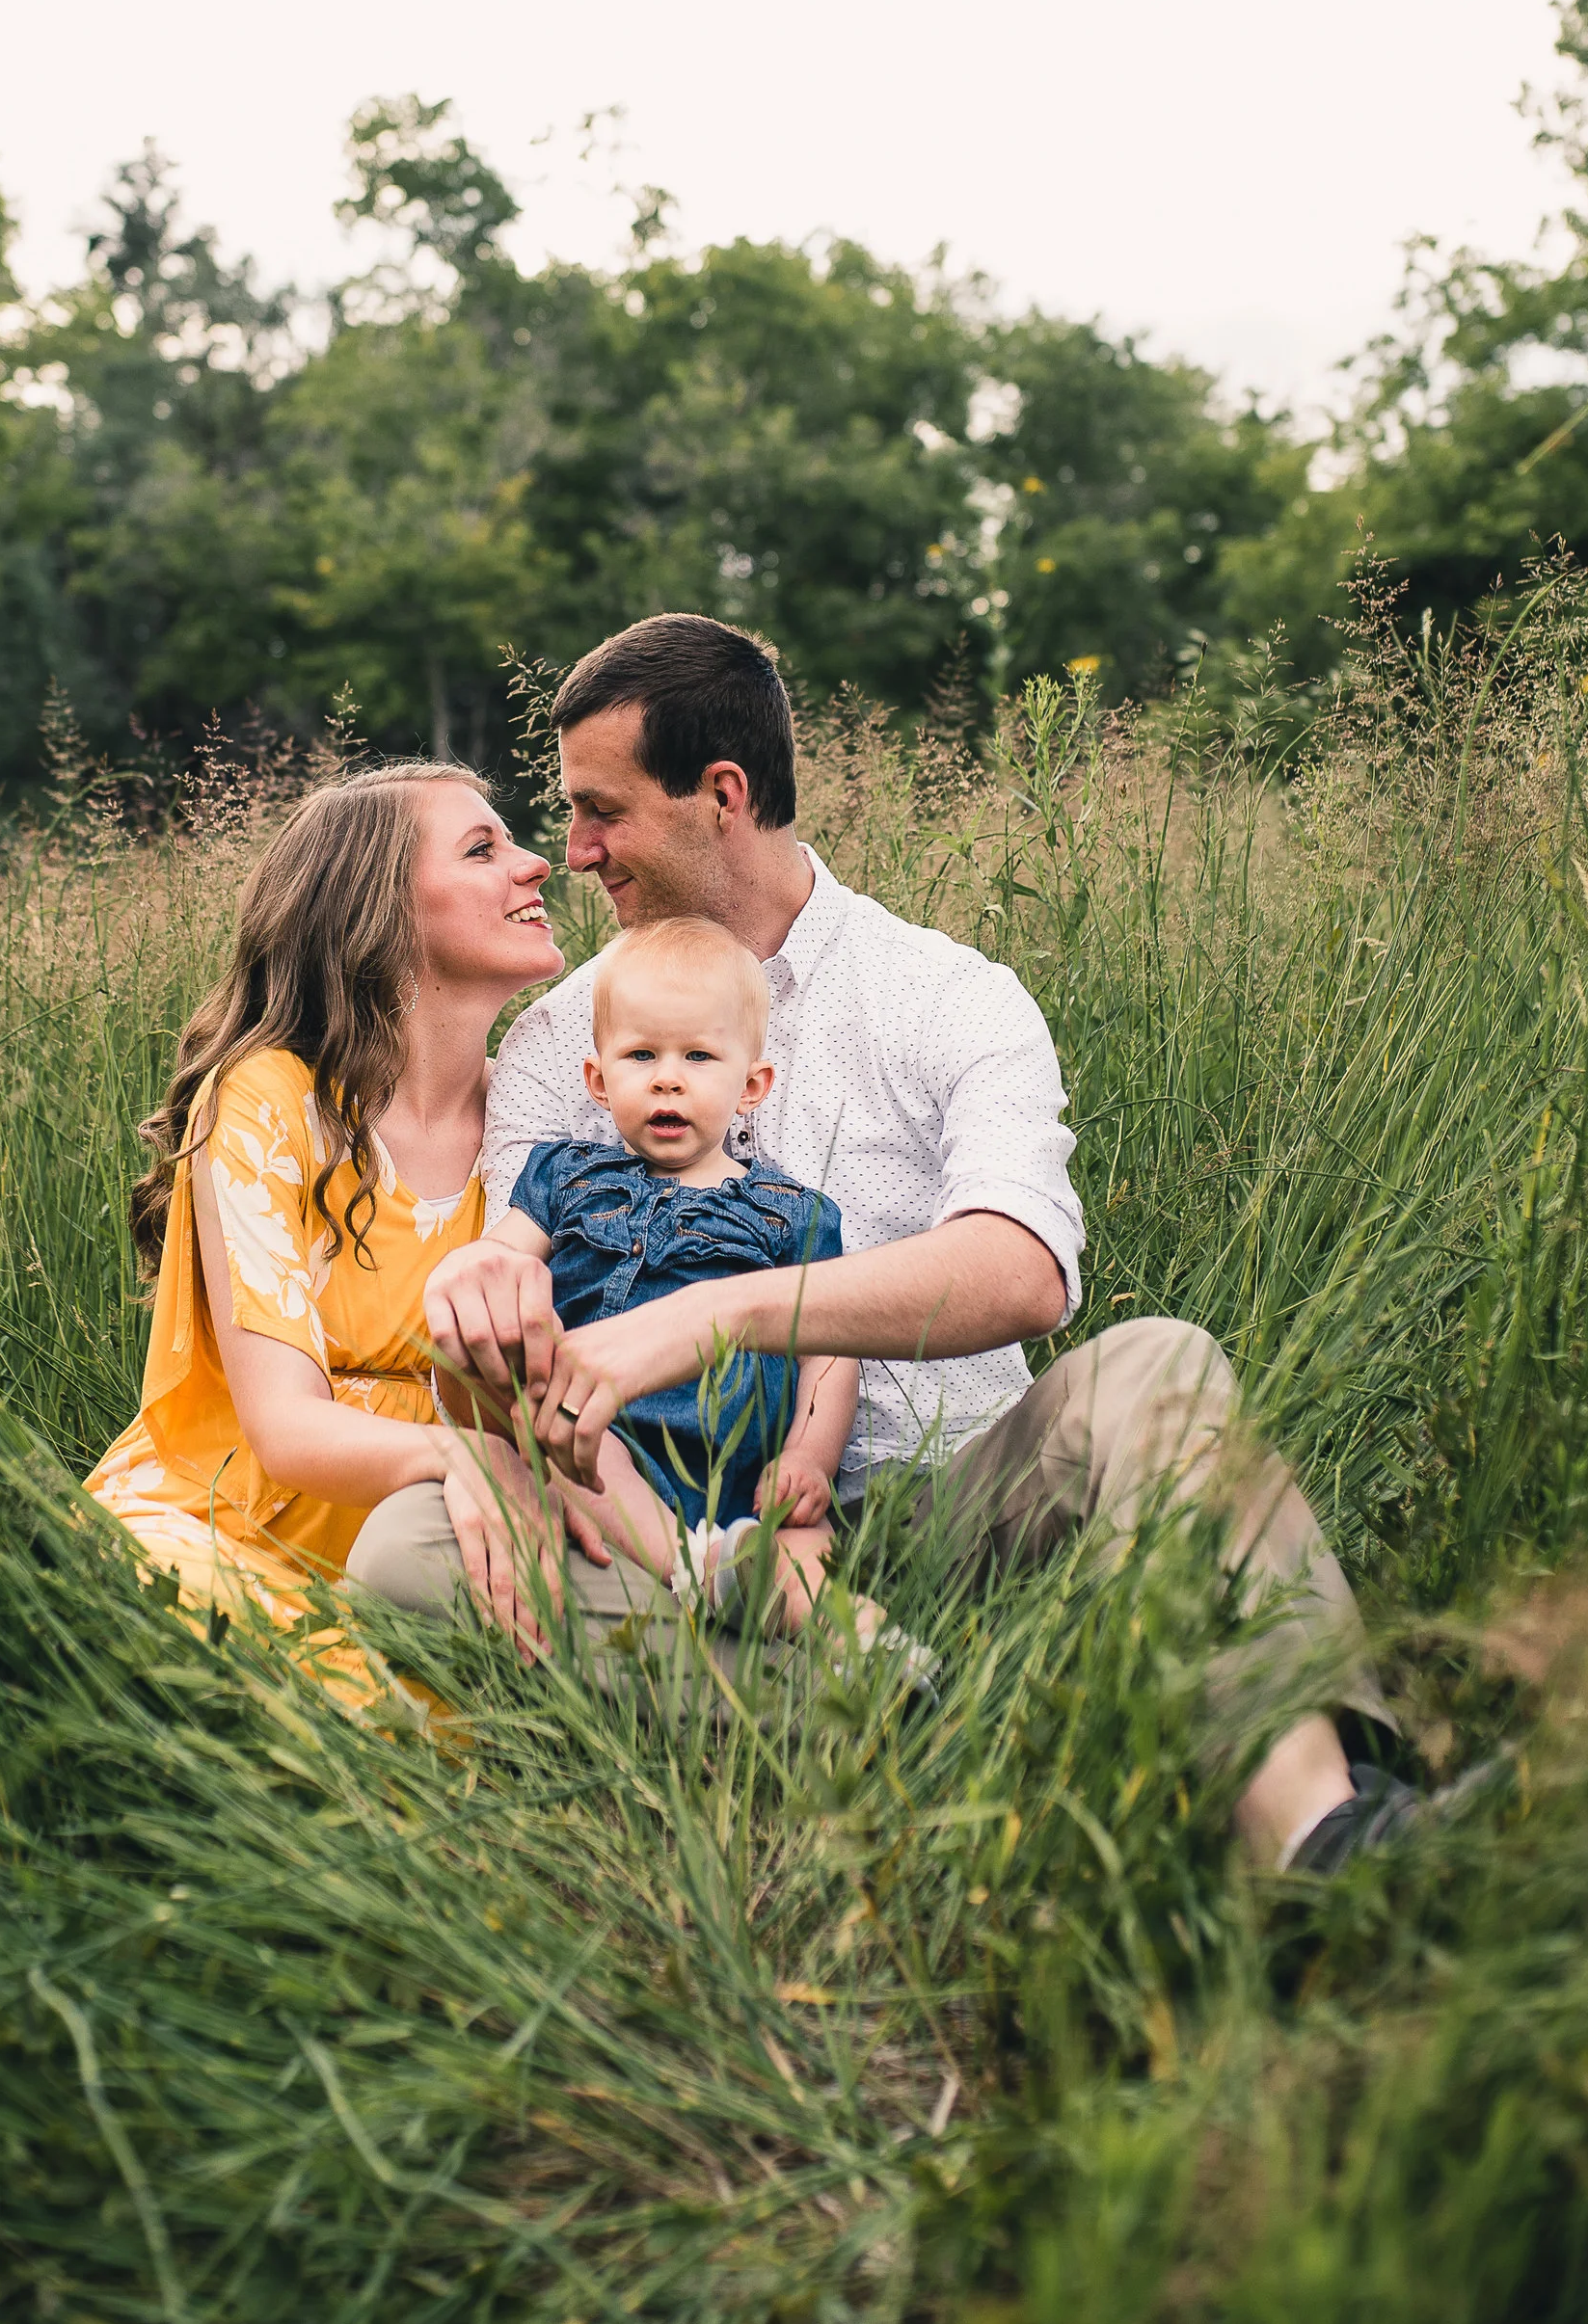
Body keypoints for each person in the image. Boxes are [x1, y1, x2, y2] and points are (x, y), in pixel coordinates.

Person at [348, 616, 1417, 1872]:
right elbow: (494, 1349)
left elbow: (1022, 1271)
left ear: (722, 797)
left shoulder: (946, 995)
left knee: (1158, 1366)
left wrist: (718, 1314)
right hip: (689, 1552)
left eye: (601, 811)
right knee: (403, 1555)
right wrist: (489, 1328)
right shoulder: (563, 1043)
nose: (573, 851)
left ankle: (1320, 1837)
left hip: (960, 1516)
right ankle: (943, 1741)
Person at [84, 761, 627, 1682]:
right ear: (378, 911)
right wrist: (475, 1459)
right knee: (301, 1698)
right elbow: (286, 1428)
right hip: (232, 1518)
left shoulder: (539, 1126)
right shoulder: (266, 1102)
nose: (537, 864)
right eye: (482, 848)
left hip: (439, 1529)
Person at [489, 913, 866, 1640]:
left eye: (698, 1055)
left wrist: (809, 1457)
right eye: (640, 1055)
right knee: (557, 1428)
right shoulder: (566, 1176)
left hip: (751, 1476)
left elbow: (832, 1343)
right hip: (608, 1440)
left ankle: (866, 1650)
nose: (667, 1076)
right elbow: (500, 1261)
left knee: (805, 1543)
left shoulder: (792, 1212)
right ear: (598, 1080)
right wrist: (490, 1283)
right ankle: (692, 1571)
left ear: (751, 1084)